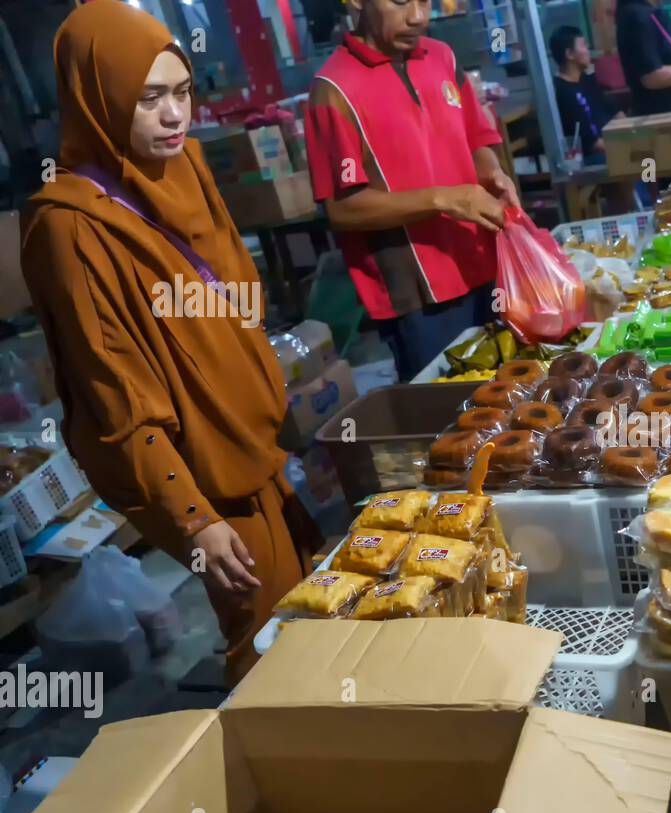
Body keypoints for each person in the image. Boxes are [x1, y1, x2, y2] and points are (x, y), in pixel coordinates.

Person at [20, 1, 321, 686]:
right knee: (268, 649)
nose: (174, 114)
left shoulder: (177, 174)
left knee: (311, 619)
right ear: (97, 101)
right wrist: (196, 522)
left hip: (256, 453)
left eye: (182, 92)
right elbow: (114, 395)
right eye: (148, 97)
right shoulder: (68, 227)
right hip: (202, 482)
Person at [306, 0, 519, 382]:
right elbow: (343, 208)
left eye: (426, 1)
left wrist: (492, 172)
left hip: (486, 262)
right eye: (402, 2)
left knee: (516, 392)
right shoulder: (334, 90)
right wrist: (445, 198)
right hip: (419, 295)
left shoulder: (443, 58)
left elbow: (476, 138)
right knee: (451, 416)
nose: (419, 16)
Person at [549, 25, 623, 164]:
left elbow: (612, 108)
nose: (588, 50)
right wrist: (625, 147)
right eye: (583, 45)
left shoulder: (587, 76)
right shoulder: (563, 92)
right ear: (570, 54)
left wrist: (632, 132)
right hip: (588, 156)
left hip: (609, 142)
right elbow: (591, 144)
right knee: (629, 158)